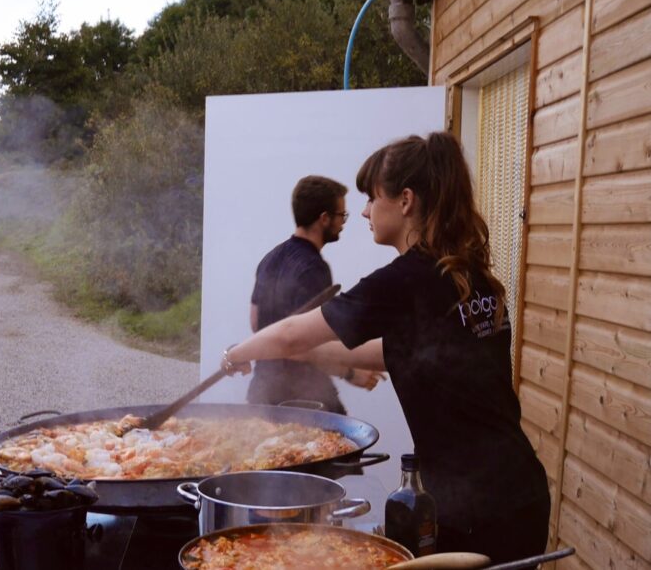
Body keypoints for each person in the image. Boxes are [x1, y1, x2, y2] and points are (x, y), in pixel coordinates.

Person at [223, 132, 550, 563]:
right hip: (519, 491)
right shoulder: (469, 273)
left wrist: (238, 353)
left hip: (476, 510)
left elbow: (291, 332)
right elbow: (401, 351)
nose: (363, 211)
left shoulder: (405, 279)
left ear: (405, 200)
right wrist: (311, 355)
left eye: (371, 198)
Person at [247, 175, 385, 411]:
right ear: (324, 218)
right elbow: (303, 343)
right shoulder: (313, 269)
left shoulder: (270, 259)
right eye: (342, 215)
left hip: (261, 393)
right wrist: (350, 373)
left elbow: (255, 322)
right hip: (301, 398)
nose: (343, 222)